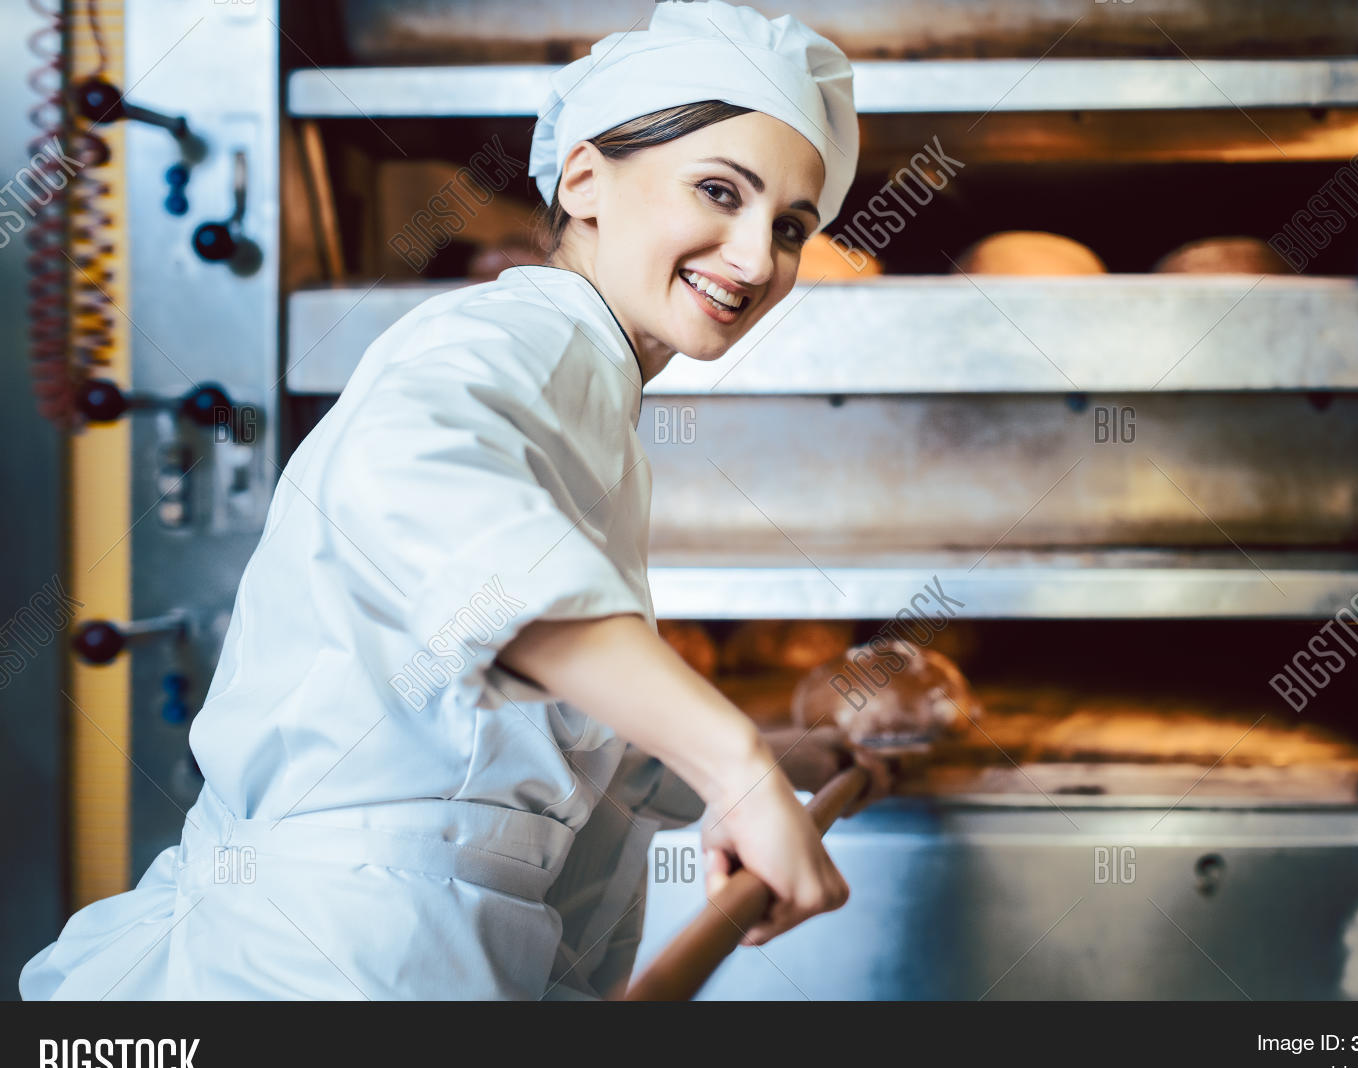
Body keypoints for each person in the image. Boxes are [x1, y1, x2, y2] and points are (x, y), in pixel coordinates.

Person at [20, 0, 890, 1001]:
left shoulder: (590, 385)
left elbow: (546, 724)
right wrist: (733, 762)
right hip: (342, 962)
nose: (754, 258)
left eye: (789, 227)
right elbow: (456, 533)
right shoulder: (519, 337)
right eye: (717, 191)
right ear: (586, 179)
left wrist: (781, 758)